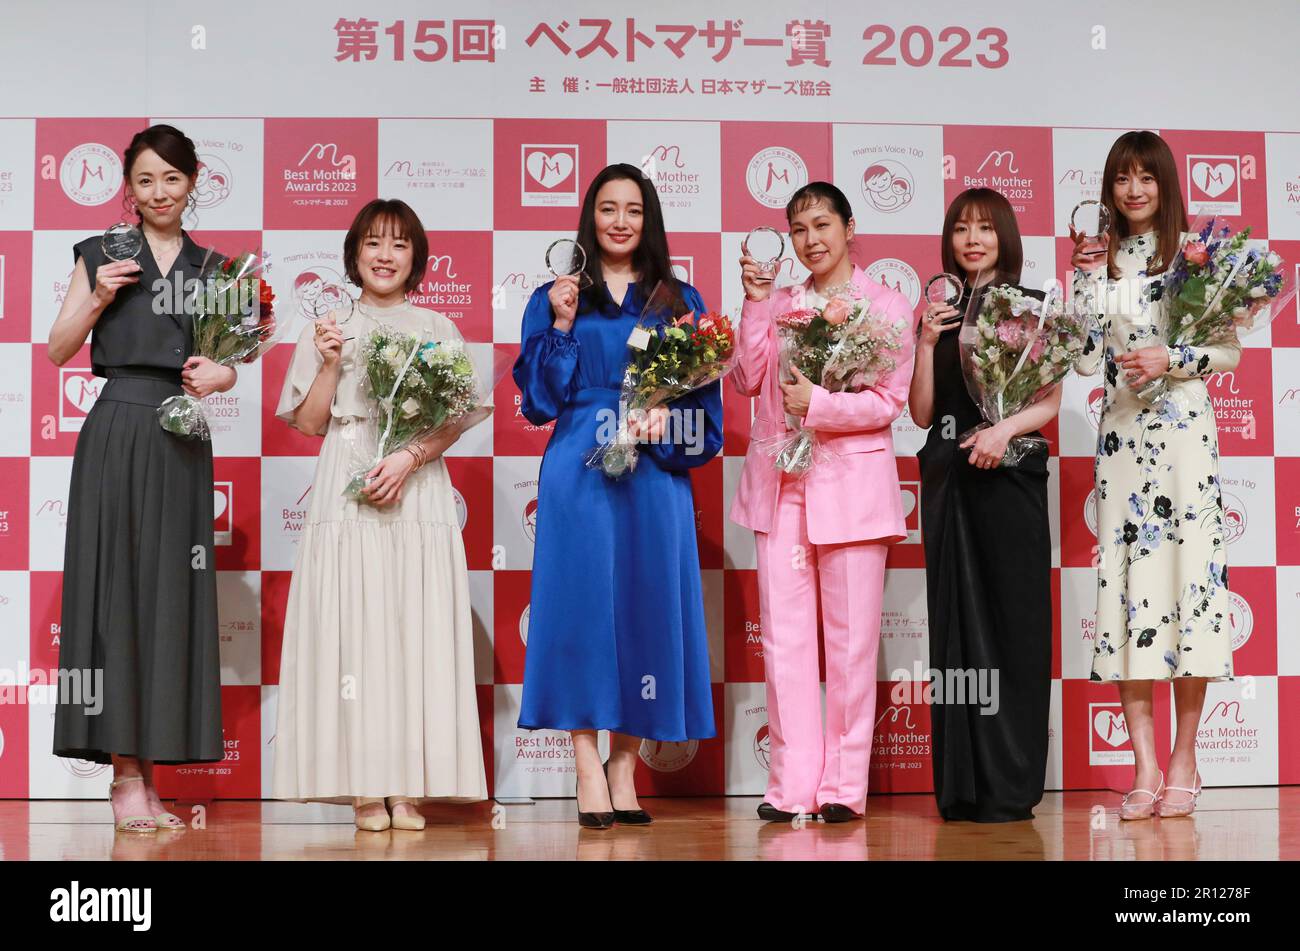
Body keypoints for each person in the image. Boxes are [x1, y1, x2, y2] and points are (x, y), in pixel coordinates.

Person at [514, 163, 723, 829]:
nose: (621, 220)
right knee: (578, 610)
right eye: (609, 207)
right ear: (590, 216)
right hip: (577, 464)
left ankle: (624, 765)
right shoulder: (559, 294)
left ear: (650, 218)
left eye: (634, 208)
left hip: (654, 475)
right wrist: (564, 326)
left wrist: (669, 422)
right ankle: (584, 765)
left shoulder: (678, 298)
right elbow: (540, 401)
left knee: (644, 608)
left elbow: (706, 414)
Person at [272, 199, 487, 831]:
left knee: (411, 628)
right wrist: (332, 360)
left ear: (416, 256)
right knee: (354, 632)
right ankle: (365, 786)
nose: (385, 255)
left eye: (398, 244)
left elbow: (454, 418)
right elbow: (310, 423)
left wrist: (410, 457)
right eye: (372, 243)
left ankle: (408, 786)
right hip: (347, 476)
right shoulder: (329, 325)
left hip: (416, 486)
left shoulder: (438, 327)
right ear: (354, 254)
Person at [49, 124, 236, 832]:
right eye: (146, 181)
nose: (159, 192)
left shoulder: (217, 267)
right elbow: (57, 349)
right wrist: (97, 296)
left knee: (168, 597)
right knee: (116, 592)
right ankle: (124, 777)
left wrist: (224, 373)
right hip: (119, 426)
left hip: (182, 433)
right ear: (129, 189)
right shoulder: (101, 253)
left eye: (172, 179)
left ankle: (149, 776)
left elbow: (227, 358)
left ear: (194, 183)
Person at [731, 181, 916, 823]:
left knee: (850, 644)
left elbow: (891, 401)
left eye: (821, 225)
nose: (811, 240)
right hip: (780, 486)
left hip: (852, 492)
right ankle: (790, 786)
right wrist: (756, 305)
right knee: (784, 643)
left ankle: (842, 787)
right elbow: (748, 379)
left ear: (849, 226)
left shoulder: (888, 305)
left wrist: (825, 406)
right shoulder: (779, 304)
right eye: (799, 230)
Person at [1072, 130, 1238, 820]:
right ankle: (1142, 766)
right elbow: (1083, 362)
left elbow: (1226, 352)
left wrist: (1170, 356)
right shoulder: (1098, 259)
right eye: (1121, 178)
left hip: (1184, 444)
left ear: (1166, 185)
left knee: (1189, 594)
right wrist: (1084, 279)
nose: (1133, 190)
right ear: (1109, 191)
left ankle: (1184, 758)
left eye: (1146, 177)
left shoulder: (1197, 255)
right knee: (1130, 597)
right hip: (1121, 443)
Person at [909, 187, 1058, 822]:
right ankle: (962, 785)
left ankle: (1011, 783)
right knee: (955, 635)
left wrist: (1002, 432)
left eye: (985, 228)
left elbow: (1049, 402)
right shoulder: (937, 312)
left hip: (1011, 482)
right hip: (949, 483)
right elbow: (922, 413)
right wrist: (922, 344)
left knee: (1016, 627)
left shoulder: (1030, 309)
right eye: (962, 228)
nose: (973, 239)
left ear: (1005, 237)